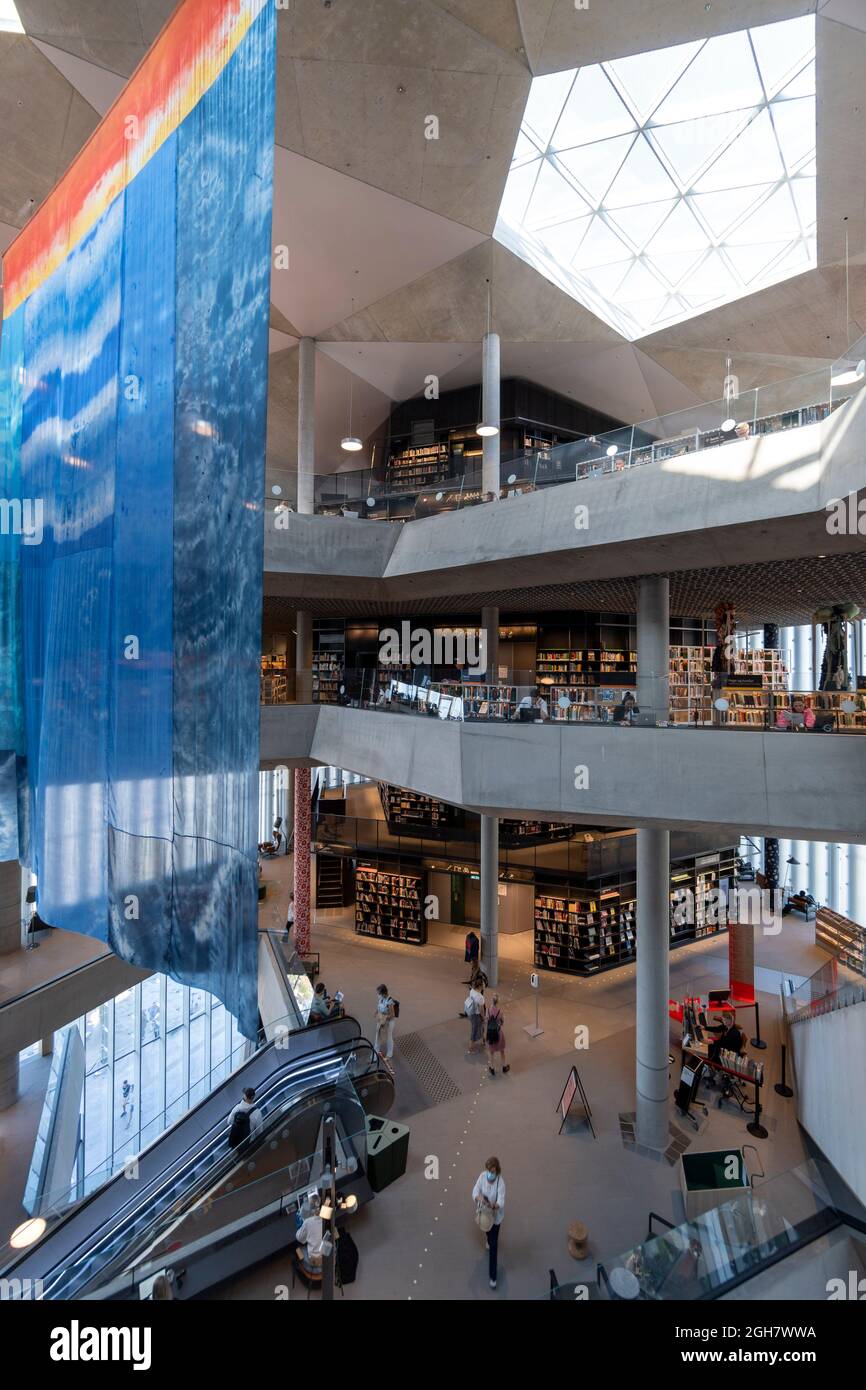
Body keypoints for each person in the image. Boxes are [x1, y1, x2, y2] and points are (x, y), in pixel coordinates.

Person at [472, 1156, 506, 1289]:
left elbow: (501, 1201)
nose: (489, 1174)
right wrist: (480, 1198)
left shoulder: (501, 1183)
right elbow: (475, 1191)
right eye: (488, 1171)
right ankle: (488, 1239)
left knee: (493, 1246)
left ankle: (493, 1276)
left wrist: (494, 1206)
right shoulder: (482, 1176)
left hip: (495, 1218)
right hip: (484, 1215)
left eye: (492, 1172)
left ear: (497, 1171)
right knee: (487, 1231)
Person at [296, 1194, 327, 1274]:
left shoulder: (308, 1222)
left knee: (301, 1247)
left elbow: (300, 1239)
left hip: (315, 1263)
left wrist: (302, 1226)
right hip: (328, 1257)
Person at [374, 984, 396, 1075]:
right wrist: (376, 1012)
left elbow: (392, 1014)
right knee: (377, 1036)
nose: (377, 995)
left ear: (383, 993)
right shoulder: (381, 998)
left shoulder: (390, 1001)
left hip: (389, 1023)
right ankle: (375, 1052)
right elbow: (378, 1006)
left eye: (378, 993)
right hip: (381, 1020)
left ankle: (390, 1053)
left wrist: (384, 1018)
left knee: (388, 1037)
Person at [485, 995, 509, 1076]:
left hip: (490, 1033)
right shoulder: (500, 1011)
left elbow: (486, 1020)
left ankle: (492, 1068)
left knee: (491, 1052)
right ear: (498, 1002)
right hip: (498, 1033)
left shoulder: (488, 1010)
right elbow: (502, 1022)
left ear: (492, 1001)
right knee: (502, 1050)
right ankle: (504, 1067)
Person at [466, 979, 486, 1051]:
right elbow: (481, 1010)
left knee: (480, 1027)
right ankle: (470, 1048)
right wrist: (483, 1017)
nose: (484, 985)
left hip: (471, 1013)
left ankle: (483, 1040)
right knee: (474, 1030)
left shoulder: (472, 990)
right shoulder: (480, 997)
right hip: (476, 1015)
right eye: (483, 984)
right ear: (480, 986)